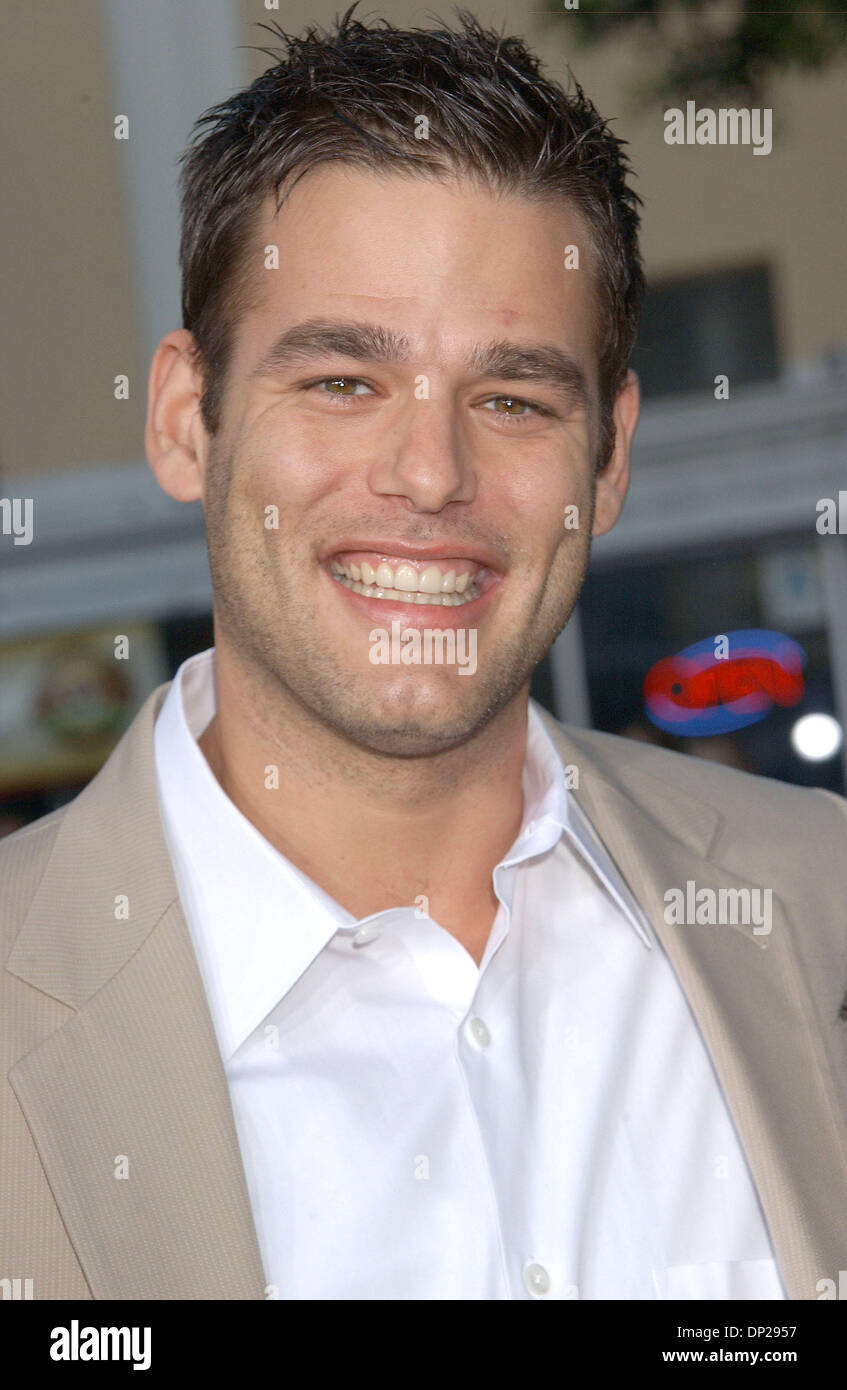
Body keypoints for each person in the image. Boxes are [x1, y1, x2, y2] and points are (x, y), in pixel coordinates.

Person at [3, 7, 846, 1302]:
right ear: (186, 419)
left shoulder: (819, 906)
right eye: (343, 378)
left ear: (608, 458)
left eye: (512, 397)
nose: (431, 473)